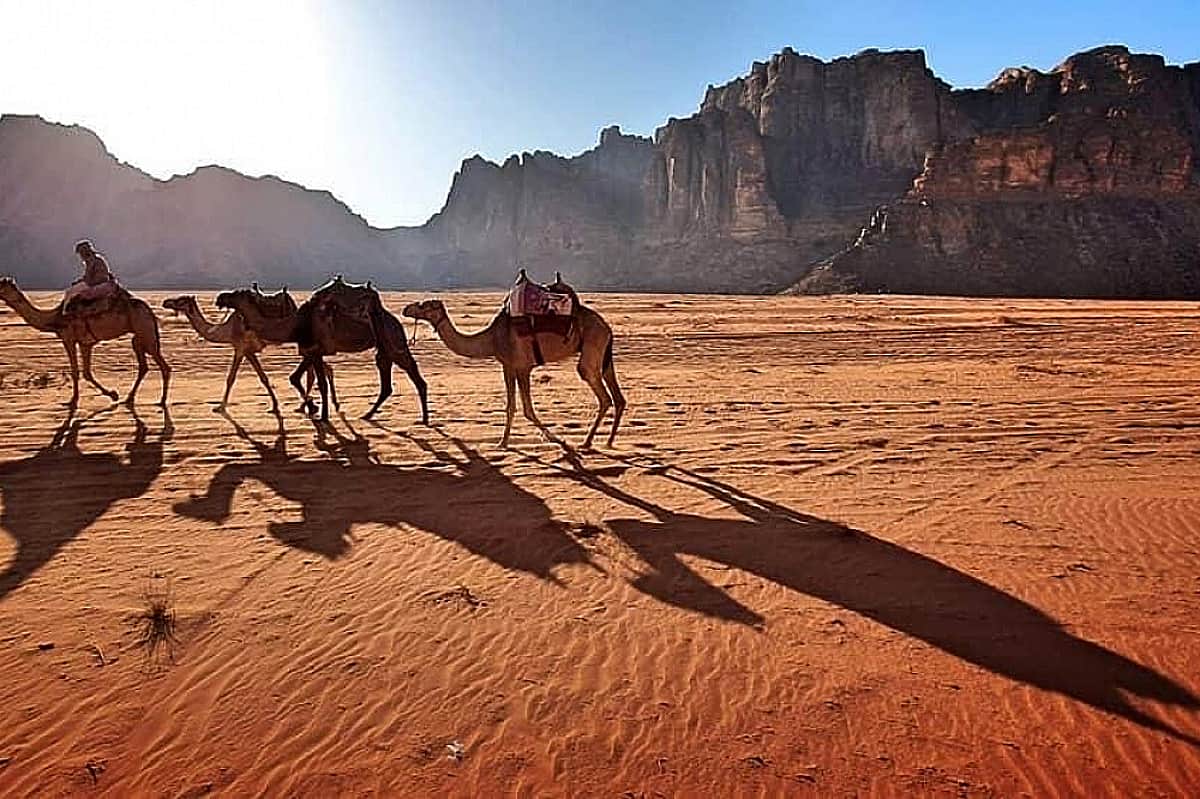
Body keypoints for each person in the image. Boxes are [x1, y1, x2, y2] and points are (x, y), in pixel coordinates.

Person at [63, 240, 119, 314]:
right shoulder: (93, 260)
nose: (81, 256)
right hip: (95, 282)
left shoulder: (93, 261)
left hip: (97, 283)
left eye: (81, 253)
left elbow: (94, 277)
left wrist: (83, 282)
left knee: (69, 292)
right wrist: (80, 281)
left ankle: (65, 313)